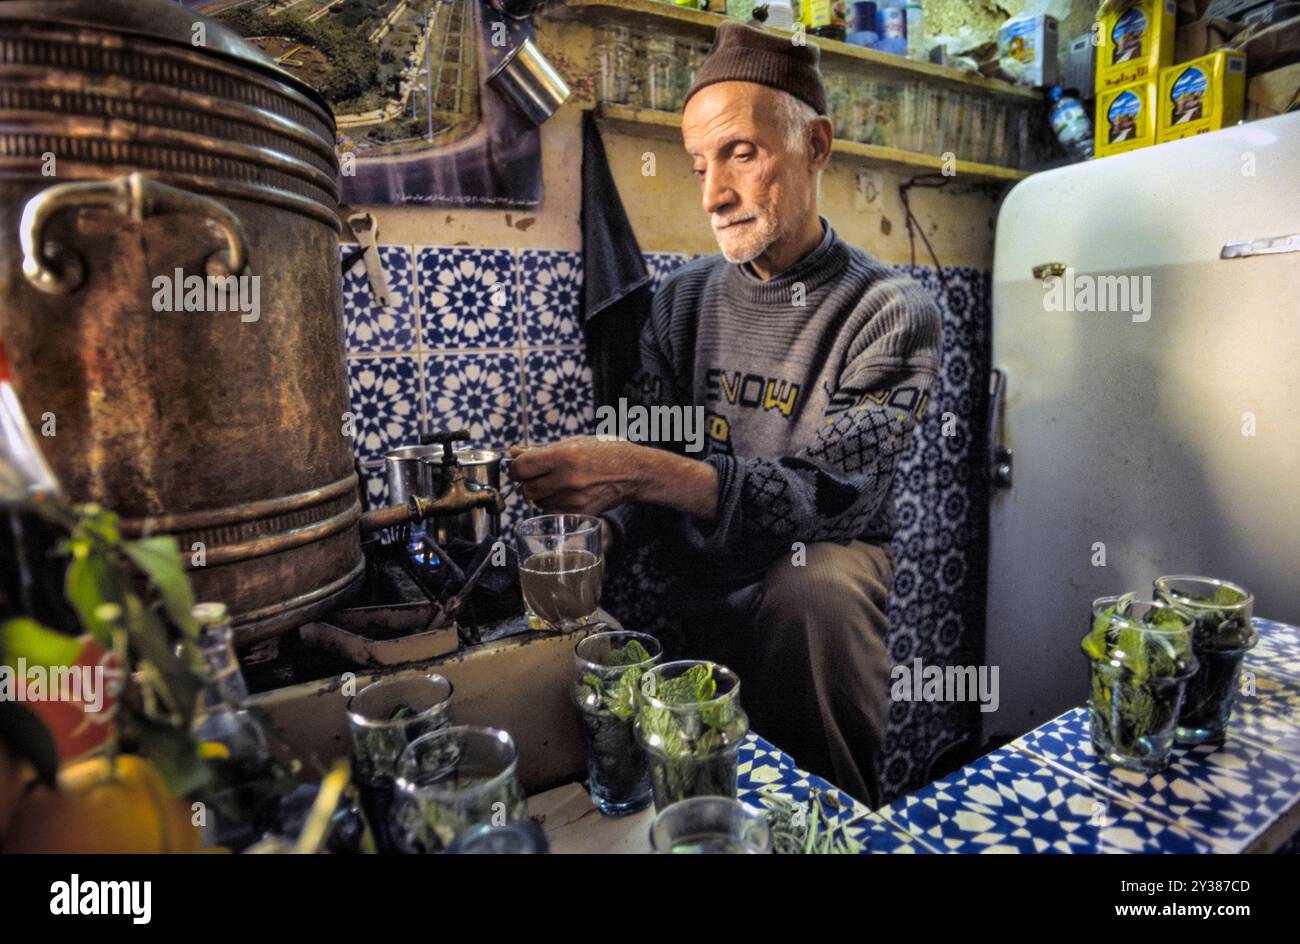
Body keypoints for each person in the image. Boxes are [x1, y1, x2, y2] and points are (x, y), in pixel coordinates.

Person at [508, 21, 941, 807]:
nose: (713, 194)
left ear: (815, 144)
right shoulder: (680, 303)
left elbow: (831, 496)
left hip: (819, 571)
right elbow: (641, 460)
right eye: (699, 164)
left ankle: (828, 816)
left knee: (815, 590)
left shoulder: (889, 310)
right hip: (700, 566)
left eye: (741, 152)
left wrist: (642, 469)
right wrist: (596, 530)